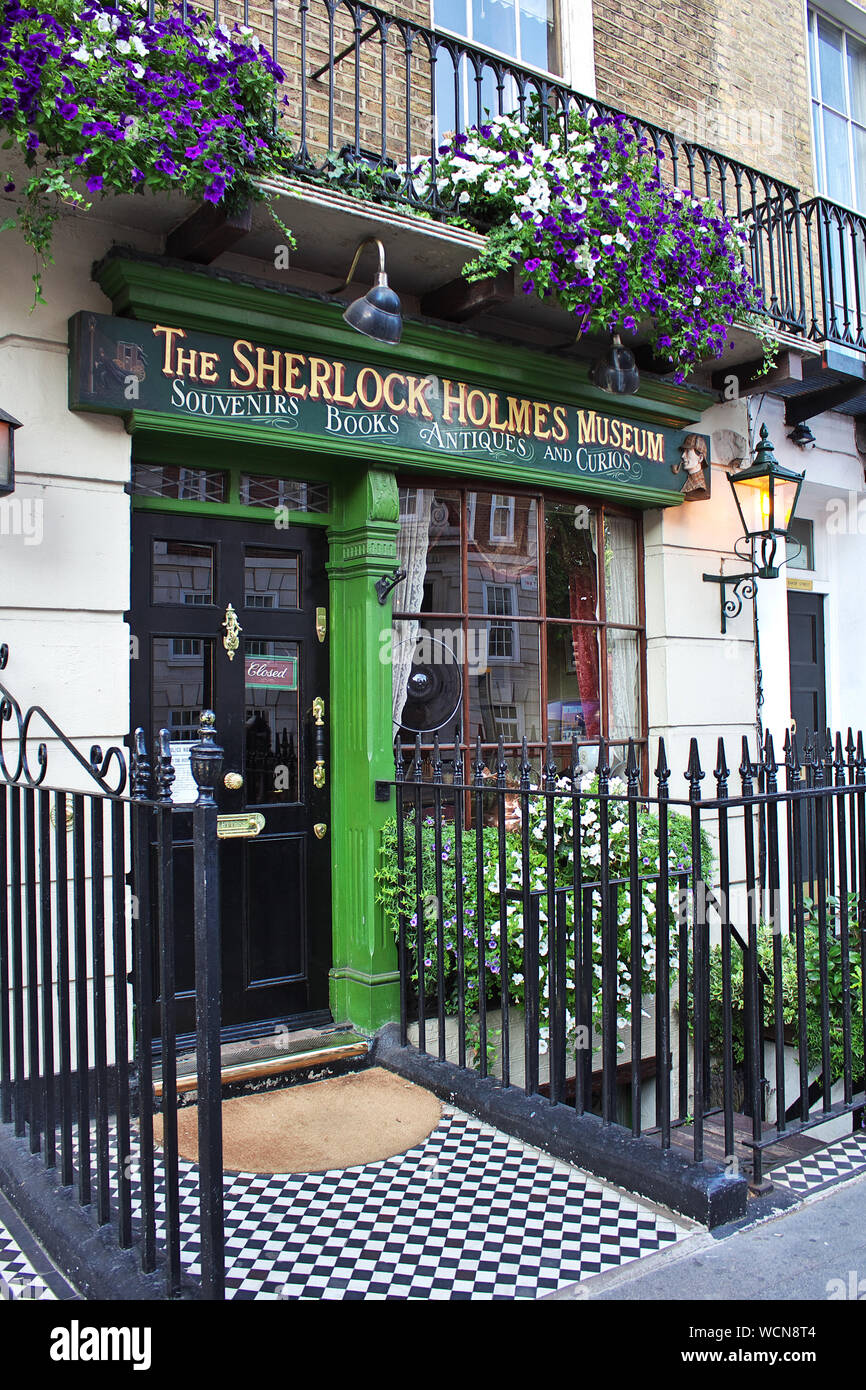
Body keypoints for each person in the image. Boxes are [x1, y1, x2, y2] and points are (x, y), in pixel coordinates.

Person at [673, 433, 710, 497]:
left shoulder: (698, 485)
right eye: (684, 452)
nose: (683, 456)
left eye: (688, 451)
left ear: (700, 458)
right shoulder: (691, 481)